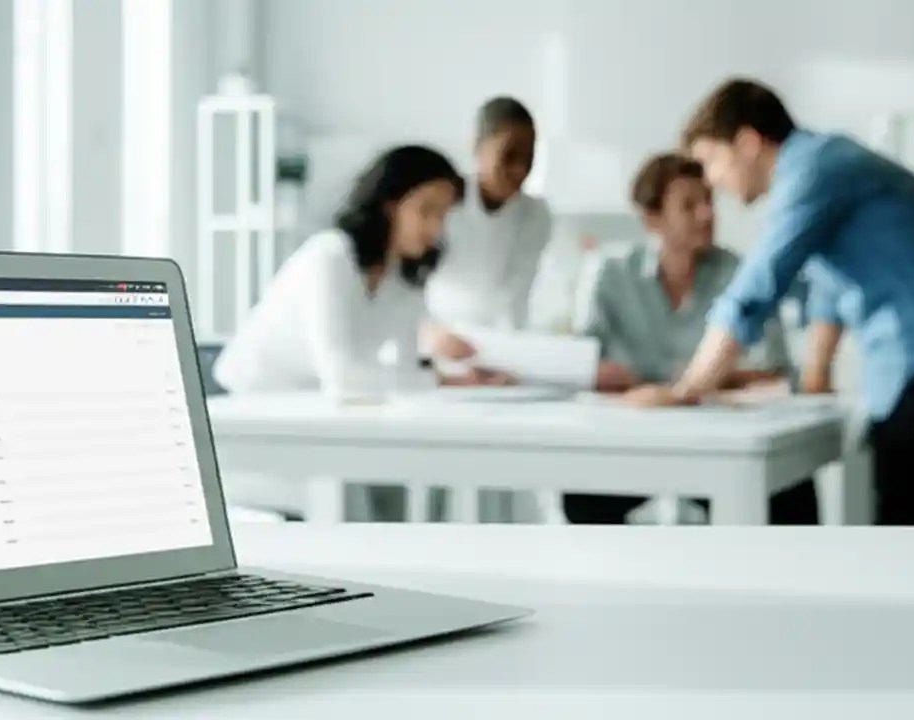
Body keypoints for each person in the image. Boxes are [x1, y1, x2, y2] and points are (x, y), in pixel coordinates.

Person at [624, 77, 914, 526]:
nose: (711, 181)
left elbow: (757, 287)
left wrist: (686, 388)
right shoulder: (830, 164)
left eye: (710, 161)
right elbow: (830, 287)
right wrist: (816, 373)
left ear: (746, 142)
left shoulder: (813, 171)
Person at [563, 152, 817, 524]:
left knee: (789, 494)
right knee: (582, 494)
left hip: (719, 444)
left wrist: (687, 385)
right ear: (652, 219)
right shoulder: (609, 273)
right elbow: (581, 363)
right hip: (634, 442)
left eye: (709, 201)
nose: (706, 214)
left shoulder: (740, 272)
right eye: (688, 205)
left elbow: (775, 372)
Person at [214, 144, 503, 399]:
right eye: (425, 211)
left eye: (442, 214)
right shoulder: (330, 256)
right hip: (244, 397)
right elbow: (343, 375)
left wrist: (454, 381)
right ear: (389, 205)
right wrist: (433, 380)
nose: (435, 228)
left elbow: (403, 368)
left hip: (305, 402)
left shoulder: (406, 278)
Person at [424, 97, 552, 355]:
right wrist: (431, 335)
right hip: (436, 339)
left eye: (528, 159)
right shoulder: (445, 202)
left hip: (500, 346)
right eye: (509, 155)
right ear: (477, 147)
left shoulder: (536, 214)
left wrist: (510, 354)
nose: (519, 170)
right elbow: (410, 285)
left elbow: (515, 296)